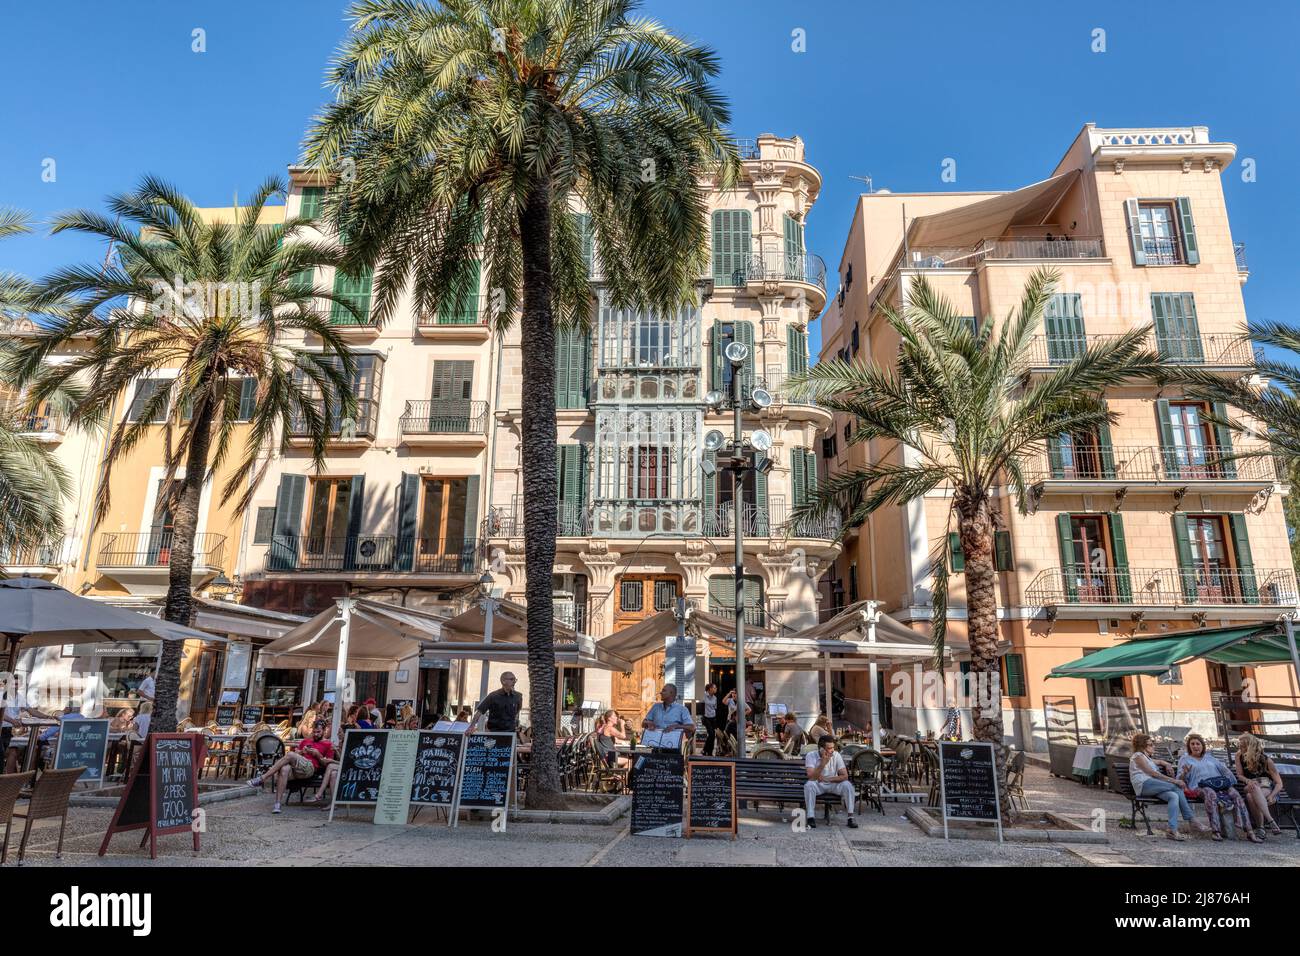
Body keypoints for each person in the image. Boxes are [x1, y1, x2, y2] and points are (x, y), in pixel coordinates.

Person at [1178, 733, 1258, 843]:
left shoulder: (1210, 758)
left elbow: (1224, 770)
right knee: (1210, 793)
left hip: (1218, 784)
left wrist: (1229, 782)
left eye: (1198, 744)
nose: (1195, 746)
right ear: (1189, 746)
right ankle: (1216, 831)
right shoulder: (1185, 759)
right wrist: (1185, 773)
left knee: (1235, 795)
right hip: (1199, 787)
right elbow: (1180, 779)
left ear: (1202, 746)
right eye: (1192, 744)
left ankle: (1249, 831)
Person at [248, 719, 337, 813]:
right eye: (314, 732)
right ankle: (277, 805)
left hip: (310, 768)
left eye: (318, 732)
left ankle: (263, 778)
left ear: (324, 731)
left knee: (290, 754)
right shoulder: (306, 741)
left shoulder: (328, 744)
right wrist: (302, 752)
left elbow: (326, 763)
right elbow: (296, 753)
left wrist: (318, 755)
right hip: (297, 768)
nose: (316, 734)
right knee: (284, 769)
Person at [1129, 733, 1206, 841]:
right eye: (1150, 744)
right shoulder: (1137, 756)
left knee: (1173, 796)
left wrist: (1166, 764)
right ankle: (1191, 819)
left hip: (1153, 785)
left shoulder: (1147, 758)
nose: (1153, 746)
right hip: (1144, 785)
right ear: (1142, 746)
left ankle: (1172, 830)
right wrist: (1174, 781)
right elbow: (1151, 773)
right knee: (1177, 787)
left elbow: (1159, 762)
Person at [1233, 733, 1285, 837]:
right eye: (1239, 746)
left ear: (1250, 747)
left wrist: (1272, 795)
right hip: (1249, 785)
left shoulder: (1267, 760)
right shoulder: (1238, 756)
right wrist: (1248, 781)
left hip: (1266, 786)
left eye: (1243, 746)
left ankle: (1260, 828)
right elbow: (1239, 775)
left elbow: (1279, 783)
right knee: (1254, 788)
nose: (1240, 748)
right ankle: (1270, 820)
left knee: (1250, 797)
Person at [804, 735, 857, 830]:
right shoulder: (811, 755)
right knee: (809, 785)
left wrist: (828, 779)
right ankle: (810, 817)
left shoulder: (836, 755)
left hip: (833, 784)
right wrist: (823, 763)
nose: (832, 750)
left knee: (848, 785)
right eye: (829, 748)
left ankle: (850, 817)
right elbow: (811, 777)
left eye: (833, 747)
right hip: (818, 784)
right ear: (821, 749)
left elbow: (844, 776)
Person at [642, 684, 695, 750]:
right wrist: (648, 722)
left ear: (671, 693)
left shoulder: (682, 709)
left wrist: (676, 726)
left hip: (673, 746)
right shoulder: (655, 707)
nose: (661, 692)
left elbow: (692, 728)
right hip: (654, 744)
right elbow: (643, 723)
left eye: (664, 691)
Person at [700, 683, 719, 756]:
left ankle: (709, 751)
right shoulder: (704, 696)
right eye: (714, 688)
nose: (715, 689)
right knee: (711, 734)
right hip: (706, 717)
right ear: (710, 688)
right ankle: (705, 749)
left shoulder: (715, 698)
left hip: (713, 718)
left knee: (713, 735)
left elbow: (715, 708)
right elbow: (701, 706)